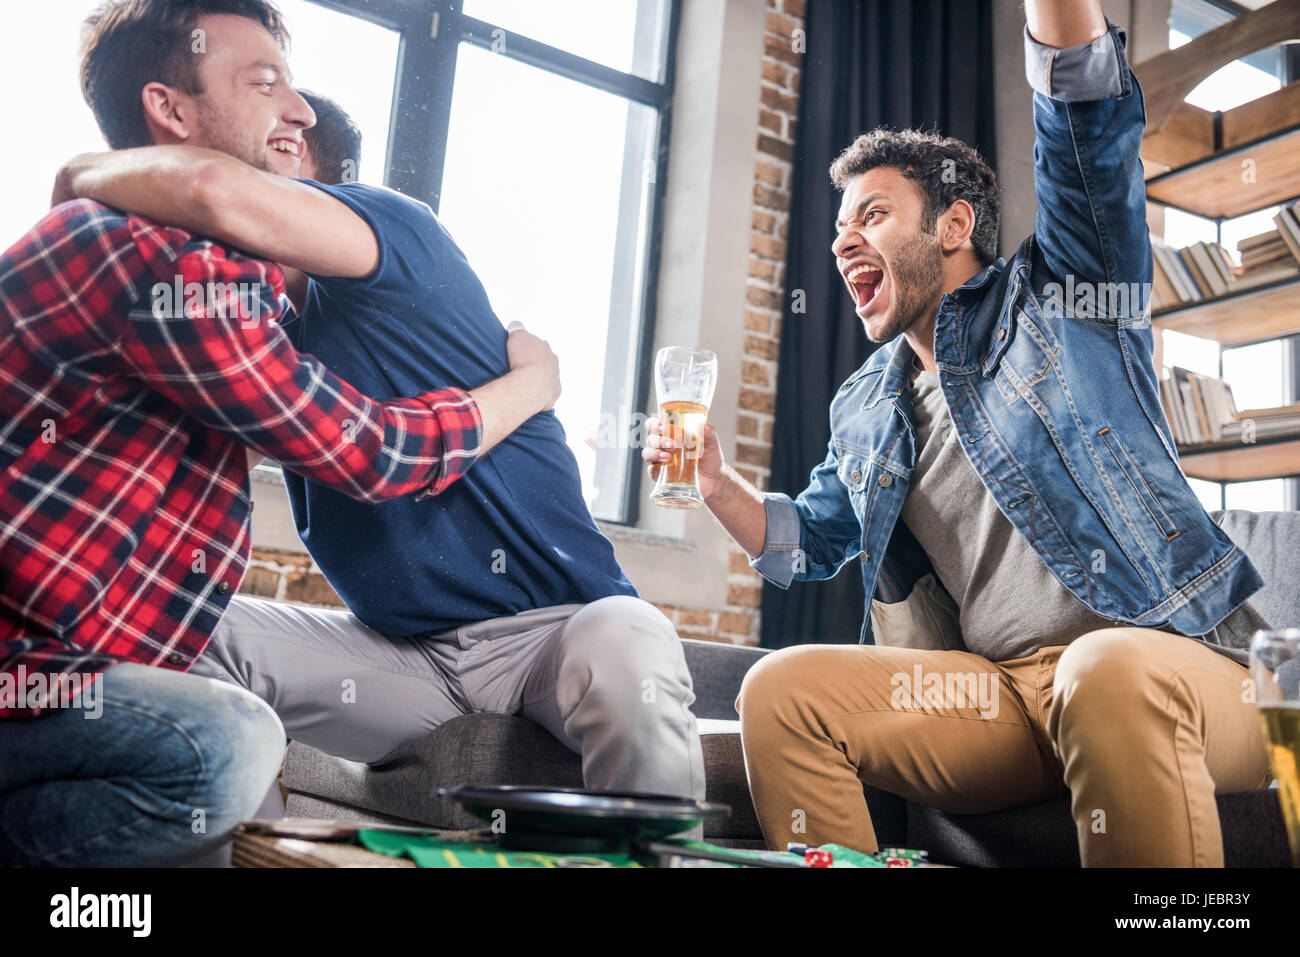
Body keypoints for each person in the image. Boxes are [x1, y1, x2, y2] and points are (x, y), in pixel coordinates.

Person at [645, 0, 1273, 867]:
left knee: (1105, 673)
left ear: (952, 227)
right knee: (781, 691)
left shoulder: (1063, 294)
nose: (841, 241)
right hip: (1001, 699)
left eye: (870, 215)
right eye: (838, 227)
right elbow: (803, 542)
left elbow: (1082, 117)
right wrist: (716, 486)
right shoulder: (868, 404)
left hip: (1178, 665)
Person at [56, 26, 705, 803]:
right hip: (408, 663)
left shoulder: (398, 237)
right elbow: (359, 452)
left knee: (626, 639)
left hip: (557, 635)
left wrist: (77, 172)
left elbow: (220, 193)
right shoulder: (250, 347)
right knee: (174, 631)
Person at [0, 0, 560, 866]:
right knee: (222, 741)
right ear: (172, 111)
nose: (298, 110)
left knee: (197, 792)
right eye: (265, 84)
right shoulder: (166, 259)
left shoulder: (165, 257)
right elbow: (375, 454)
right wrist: (529, 386)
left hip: (50, 679)